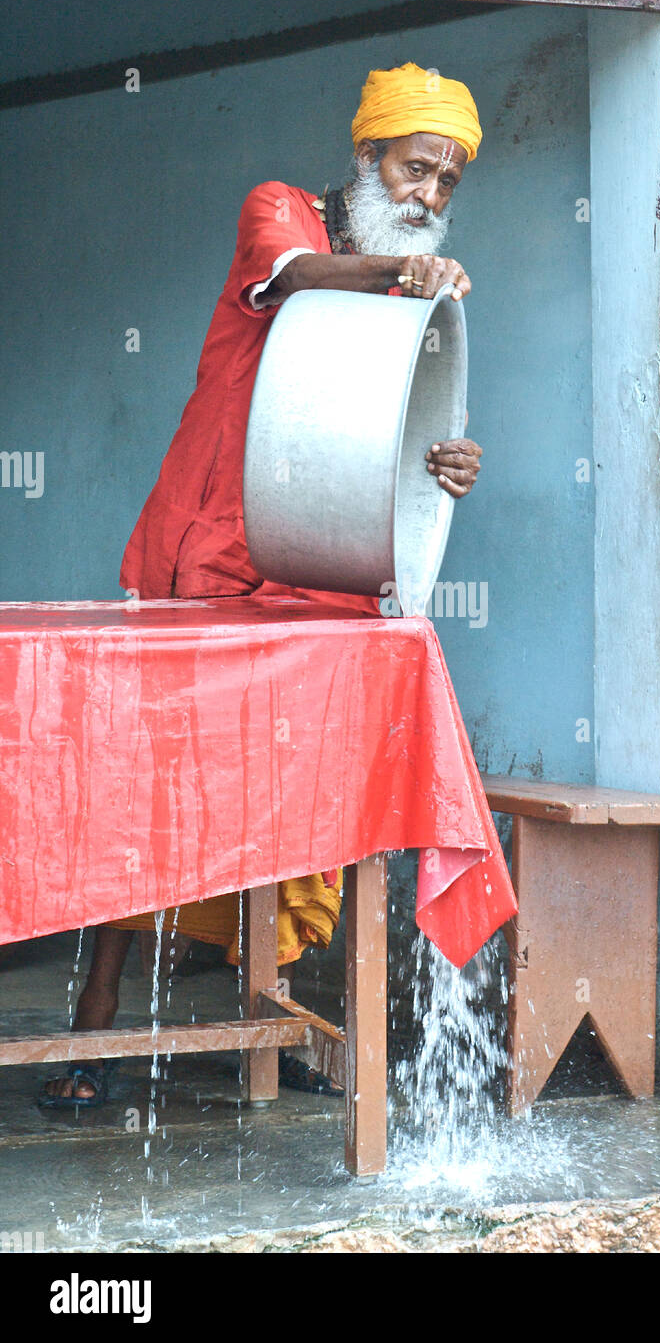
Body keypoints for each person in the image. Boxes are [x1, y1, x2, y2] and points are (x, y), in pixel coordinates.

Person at [40, 61, 484, 1107]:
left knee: (294, 806)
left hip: (316, 569)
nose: (426, 196)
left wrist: (446, 465)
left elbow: (398, 425)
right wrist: (400, 276)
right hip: (201, 552)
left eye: (446, 183)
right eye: (415, 168)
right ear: (367, 157)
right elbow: (286, 275)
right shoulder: (287, 211)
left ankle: (262, 1031)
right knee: (148, 791)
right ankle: (93, 1027)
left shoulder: (408, 279)